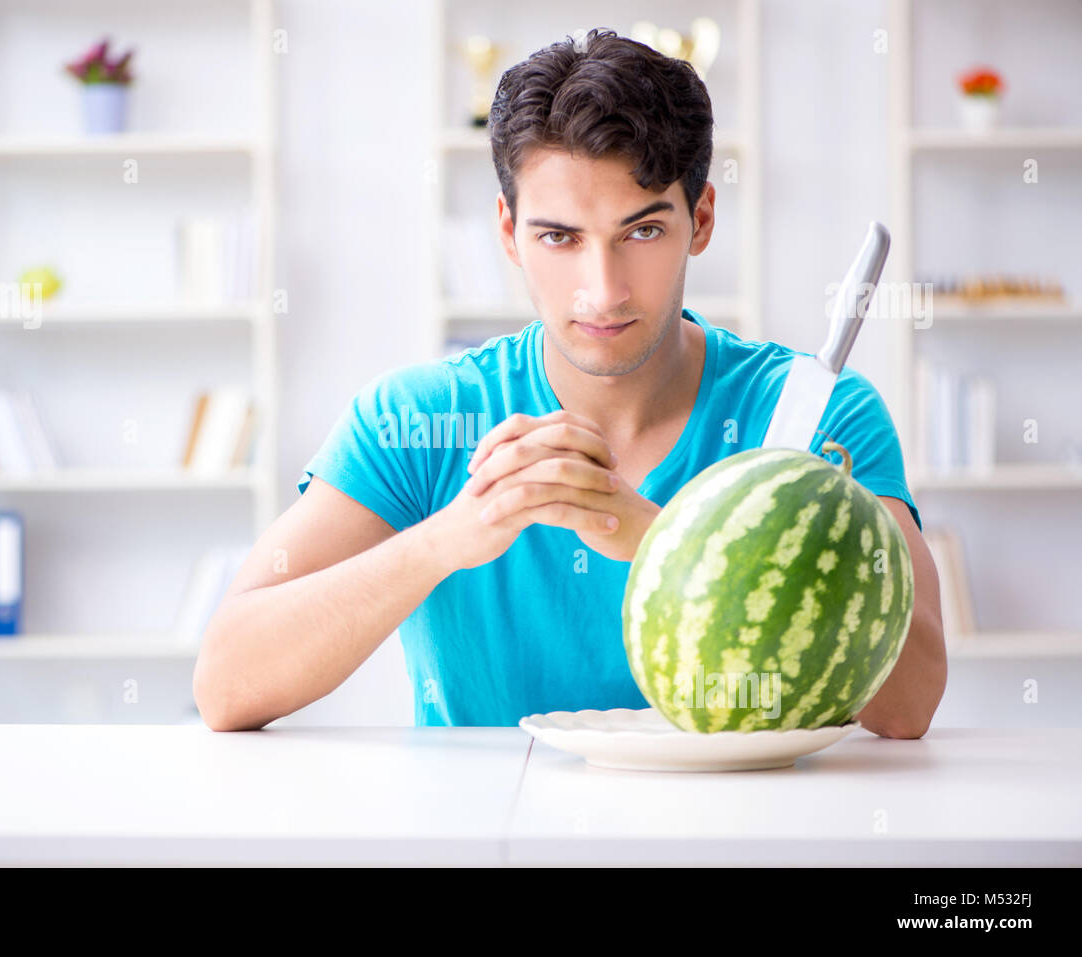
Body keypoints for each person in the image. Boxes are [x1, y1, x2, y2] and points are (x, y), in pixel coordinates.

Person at [193, 28, 945, 736]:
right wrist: (446, 540)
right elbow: (225, 683)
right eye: (559, 237)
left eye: (642, 231)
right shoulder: (420, 418)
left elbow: (909, 703)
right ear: (506, 232)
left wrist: (661, 541)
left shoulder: (819, 415)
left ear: (702, 218)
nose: (603, 290)